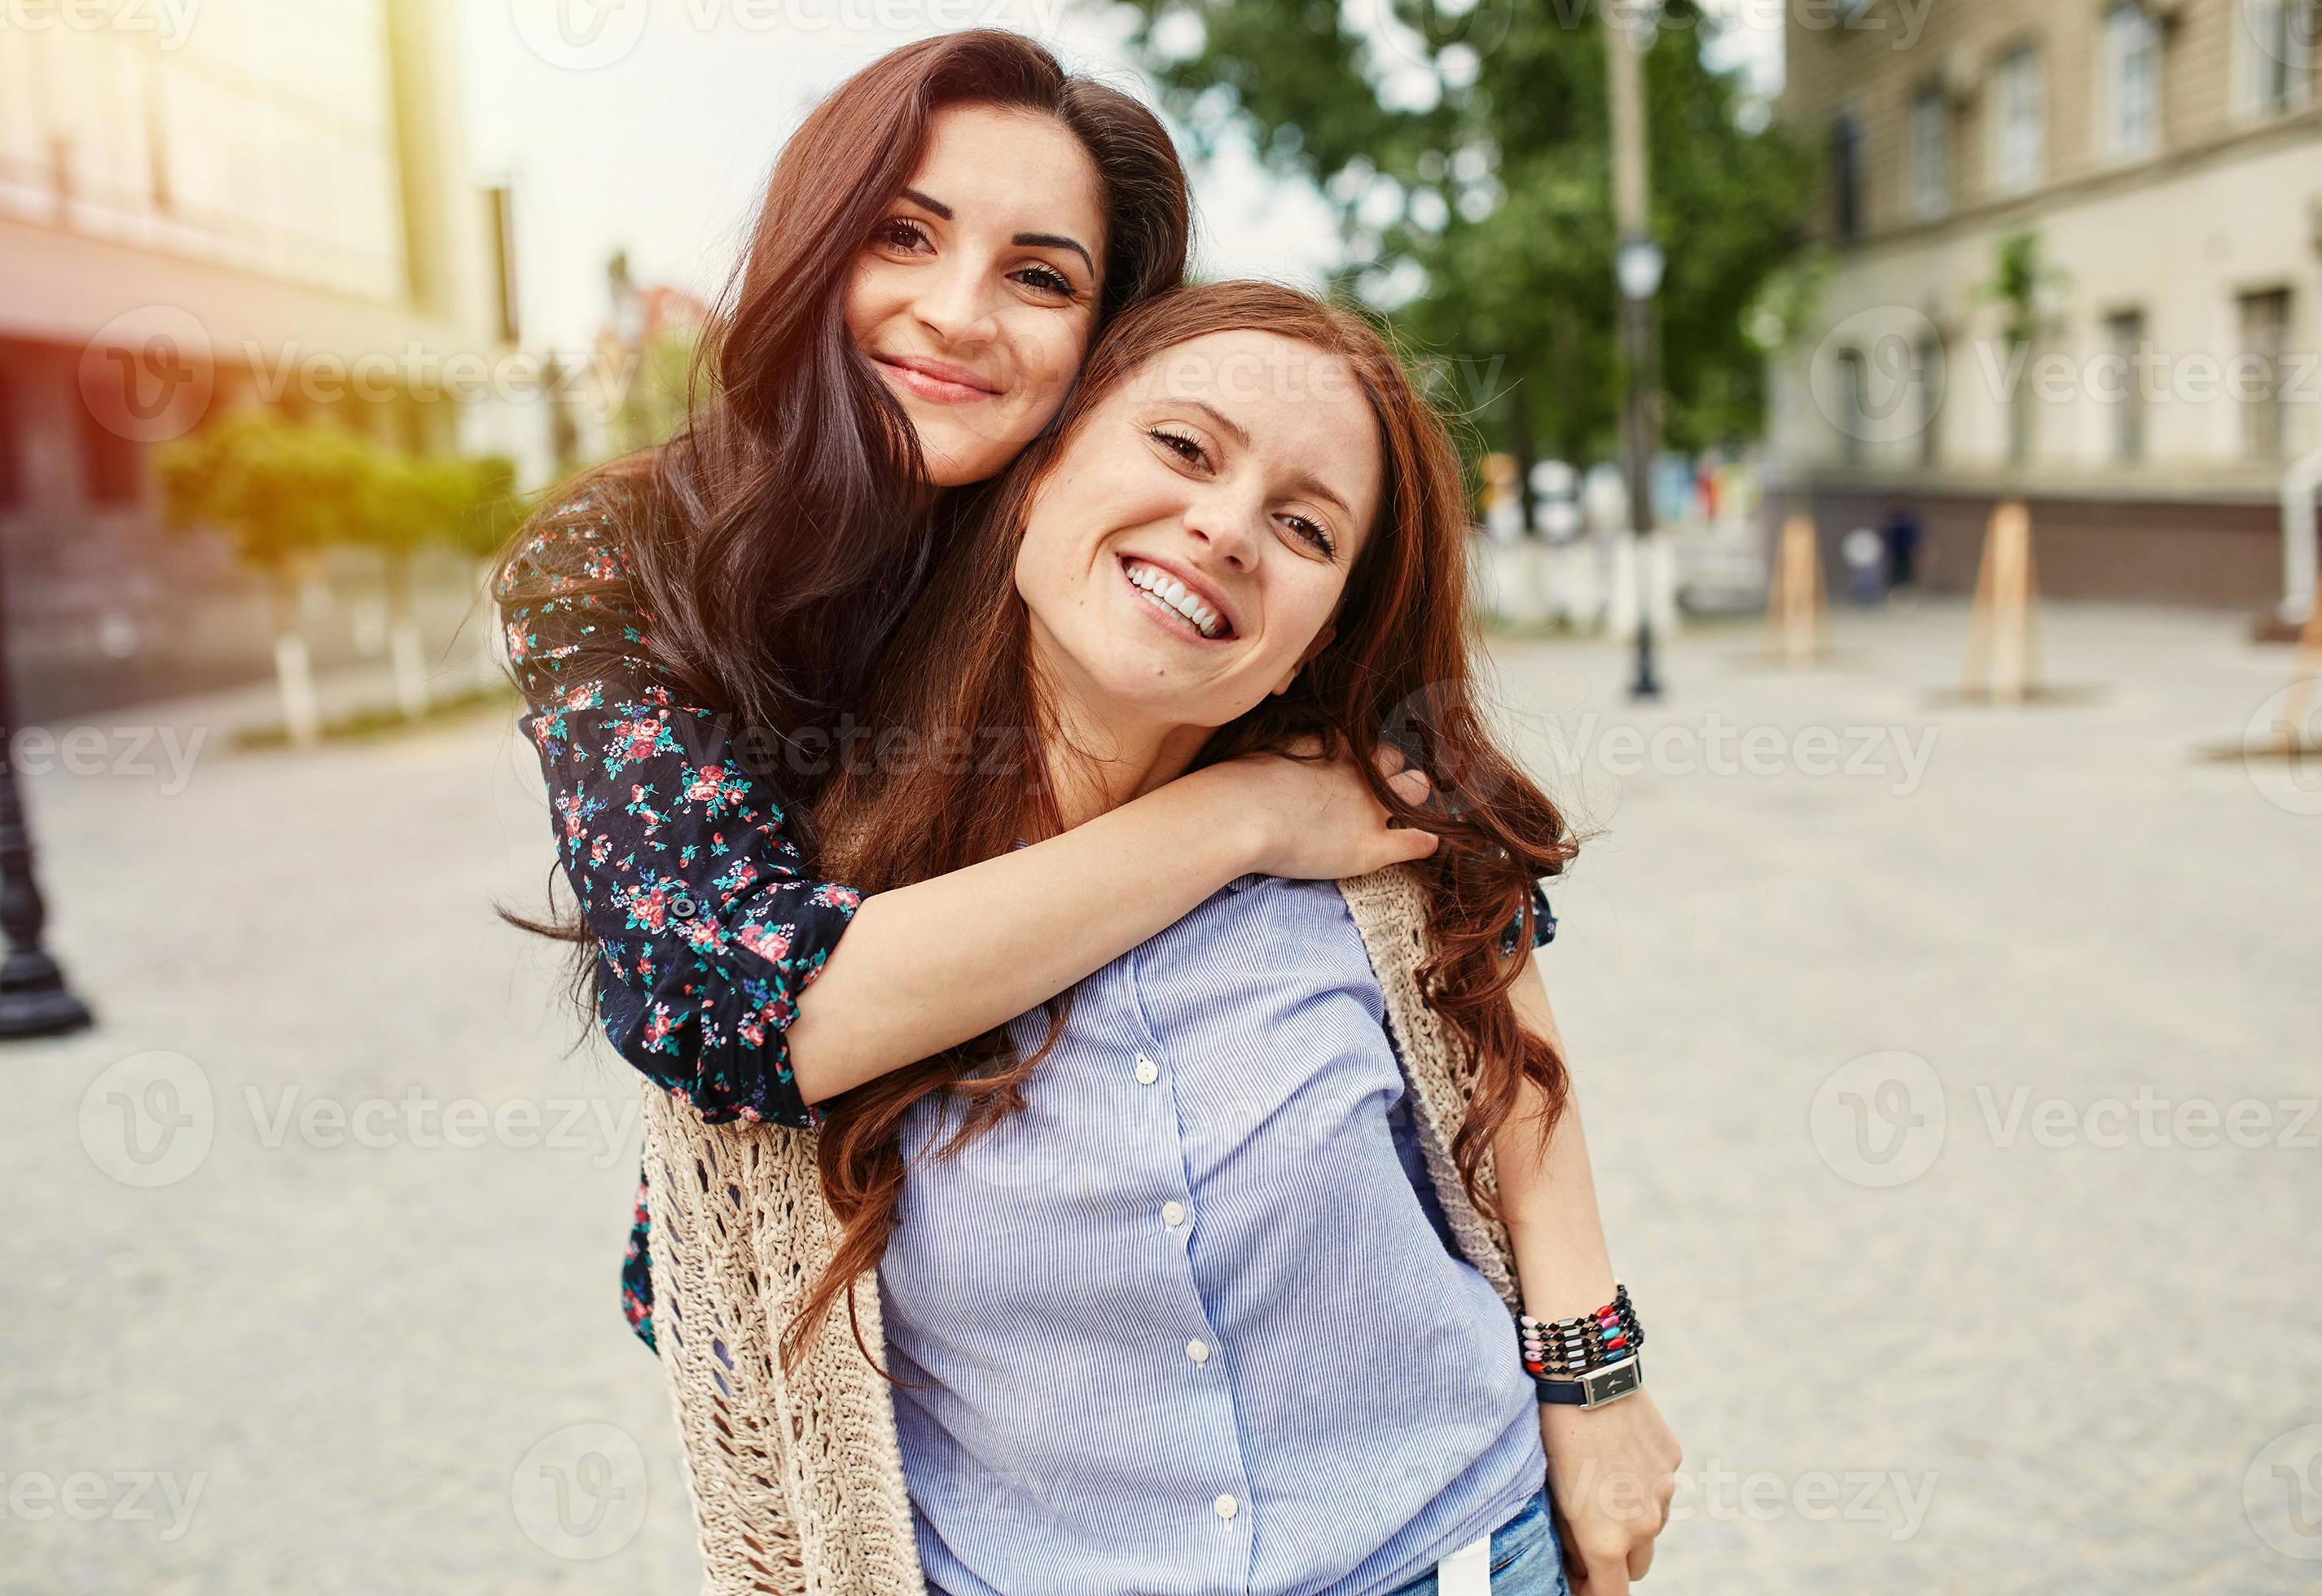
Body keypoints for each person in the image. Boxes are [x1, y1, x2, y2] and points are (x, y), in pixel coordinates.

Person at [643, 283, 1681, 1596]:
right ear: (1035, 478)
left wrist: (1596, 1380)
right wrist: (1236, 820)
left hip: (1458, 1553)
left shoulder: (1376, 846)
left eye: (1305, 527)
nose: (1227, 528)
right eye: (1185, 447)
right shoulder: (799, 902)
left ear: (1312, 643)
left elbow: (1512, 1058)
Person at [496, 33, 1439, 1351]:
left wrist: (1589, 1350)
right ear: (814, 246)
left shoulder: (1141, 543)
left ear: (1108, 342)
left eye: (1040, 276)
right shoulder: (622, 551)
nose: (956, 314)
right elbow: (722, 1001)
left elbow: (1460, 877)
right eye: (903, 235)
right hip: (823, 1300)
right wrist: (1245, 818)